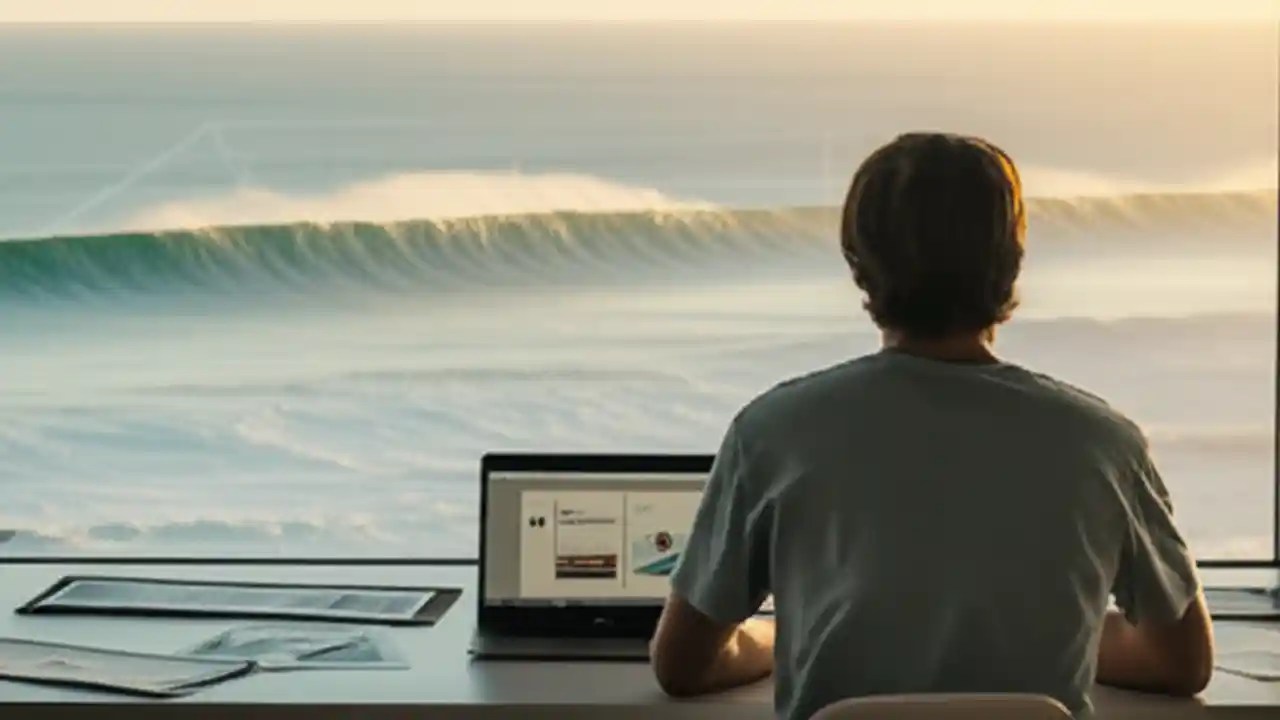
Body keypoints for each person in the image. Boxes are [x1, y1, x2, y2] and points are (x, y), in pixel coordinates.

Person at [649, 132, 1213, 719]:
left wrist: (779, 639)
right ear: (1011, 261)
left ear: (858, 264)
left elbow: (683, 666)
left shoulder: (772, 433)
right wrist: (1057, 632)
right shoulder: (1103, 444)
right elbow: (1183, 664)